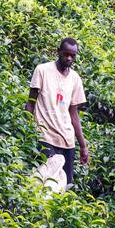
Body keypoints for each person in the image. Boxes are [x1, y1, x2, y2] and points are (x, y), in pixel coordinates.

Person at [24, 37, 89, 186]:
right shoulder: (42, 70)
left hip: (67, 141)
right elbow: (30, 102)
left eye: (73, 55)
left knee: (64, 185)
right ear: (58, 52)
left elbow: (74, 114)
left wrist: (83, 146)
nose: (69, 58)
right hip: (44, 136)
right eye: (66, 54)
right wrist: (26, 131)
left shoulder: (75, 79)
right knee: (42, 182)